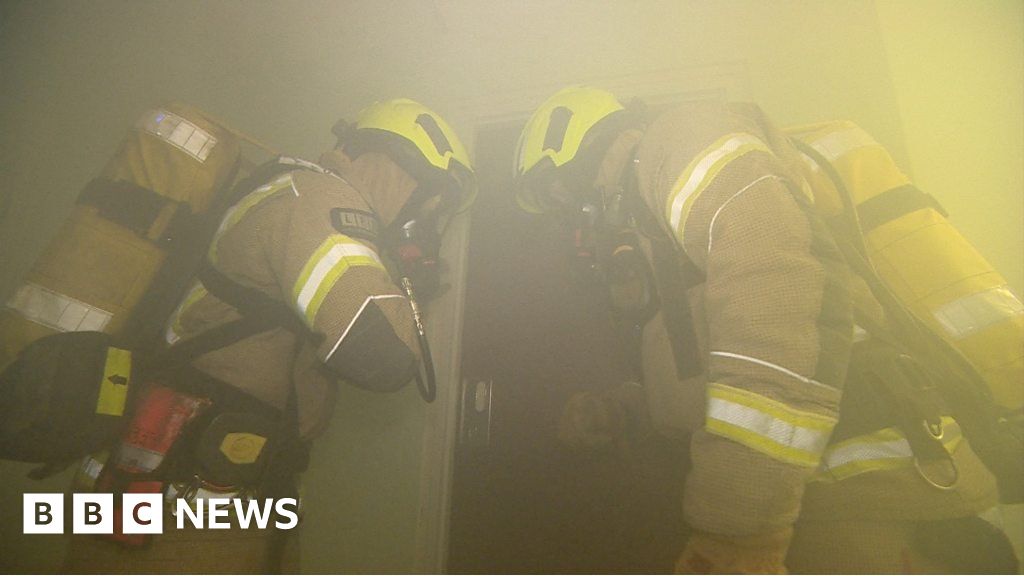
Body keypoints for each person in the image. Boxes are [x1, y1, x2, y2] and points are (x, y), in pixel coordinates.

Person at [512, 86, 1017, 573]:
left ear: (574, 155)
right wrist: (627, 410)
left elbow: (782, 282)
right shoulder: (654, 221)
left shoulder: (675, 138)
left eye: (555, 194)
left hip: (881, 494)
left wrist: (738, 522)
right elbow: (719, 355)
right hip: (842, 496)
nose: (570, 219)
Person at [63, 98, 476, 573]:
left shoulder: (291, 193)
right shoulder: (318, 199)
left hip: (210, 494)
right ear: (392, 165)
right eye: (429, 201)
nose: (427, 221)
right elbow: (381, 354)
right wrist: (409, 287)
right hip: (177, 505)